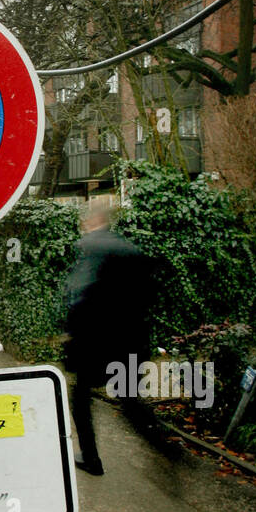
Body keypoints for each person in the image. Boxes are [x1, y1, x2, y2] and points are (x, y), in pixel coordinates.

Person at [63, 199, 151, 475]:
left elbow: (81, 294)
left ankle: (91, 459)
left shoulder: (91, 248)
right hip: (130, 341)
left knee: (80, 397)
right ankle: (167, 449)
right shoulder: (131, 250)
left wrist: (69, 330)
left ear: (90, 222)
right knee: (129, 400)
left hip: (95, 344)